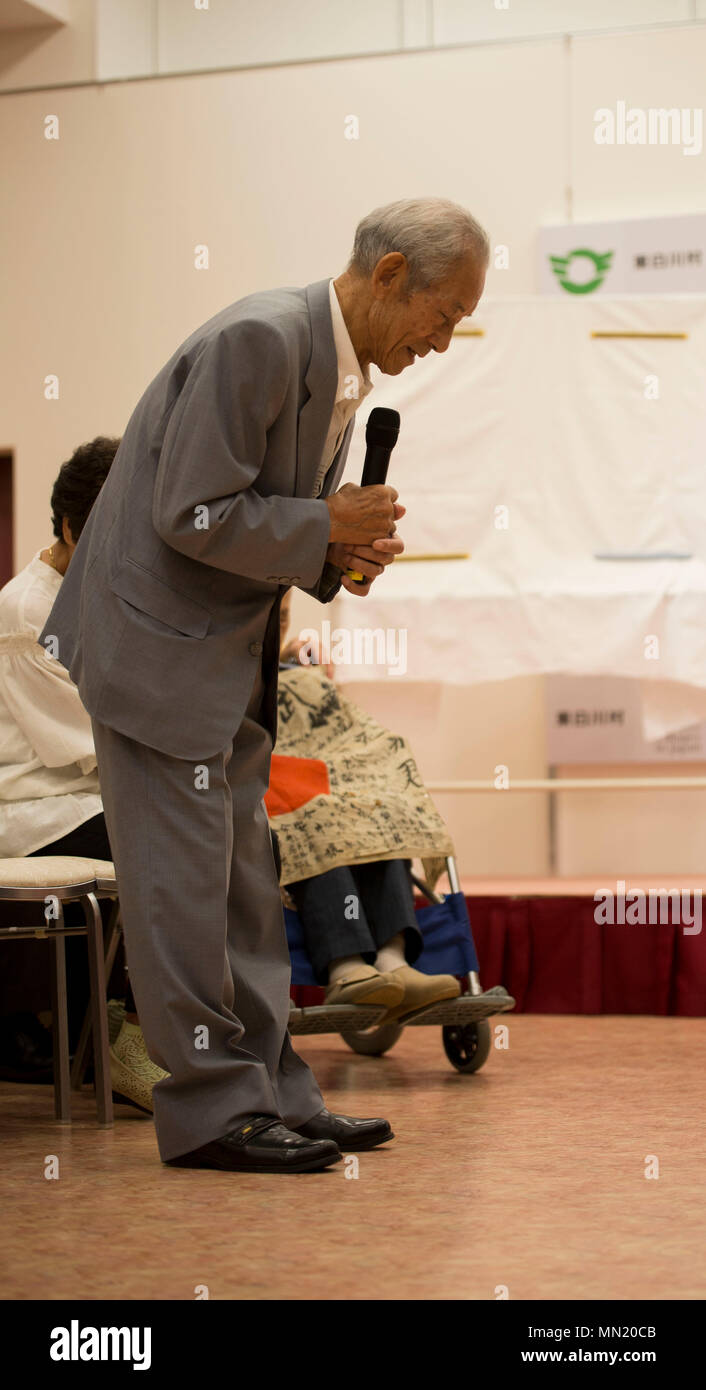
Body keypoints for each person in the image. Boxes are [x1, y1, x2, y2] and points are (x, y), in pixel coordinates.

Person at [39, 197, 489, 1175]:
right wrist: (324, 523)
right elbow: (191, 511)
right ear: (385, 275)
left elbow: (263, 519)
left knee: (245, 892)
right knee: (185, 900)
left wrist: (339, 553)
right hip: (158, 660)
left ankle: (275, 1092)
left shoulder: (329, 365)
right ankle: (211, 1112)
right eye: (444, 315)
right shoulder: (261, 336)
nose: (443, 341)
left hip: (224, 661)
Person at [0, 438, 166, 1110]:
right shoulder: (25, 613)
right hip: (38, 807)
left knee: (218, 828)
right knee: (160, 840)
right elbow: (94, 736)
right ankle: (118, 1035)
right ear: (71, 529)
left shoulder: (111, 587)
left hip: (98, 790)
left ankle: (174, 1032)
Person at [277, 589, 461, 1017]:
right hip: (271, 784)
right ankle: (345, 967)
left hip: (323, 772)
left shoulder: (293, 664)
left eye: (284, 616)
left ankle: (392, 960)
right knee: (317, 813)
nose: (278, 625)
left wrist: (292, 659)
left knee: (378, 808)